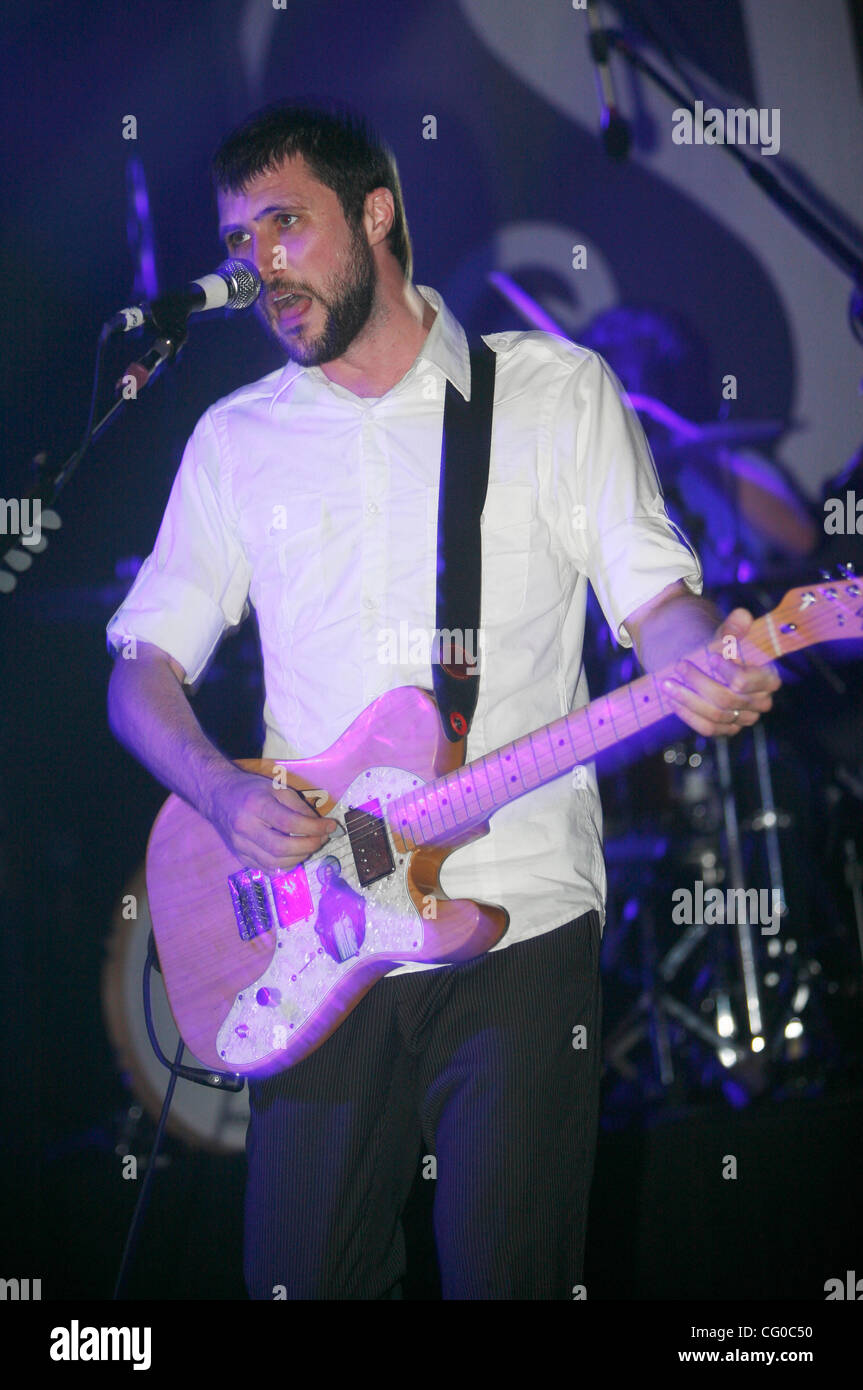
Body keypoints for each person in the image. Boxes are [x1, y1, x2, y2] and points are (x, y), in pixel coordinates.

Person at [106, 103, 780, 1300]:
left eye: (285, 224)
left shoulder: (551, 393)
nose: (258, 263)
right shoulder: (233, 441)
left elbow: (658, 606)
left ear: (375, 216)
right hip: (307, 944)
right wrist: (214, 790)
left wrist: (708, 663)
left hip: (513, 911)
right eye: (237, 237)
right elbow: (140, 673)